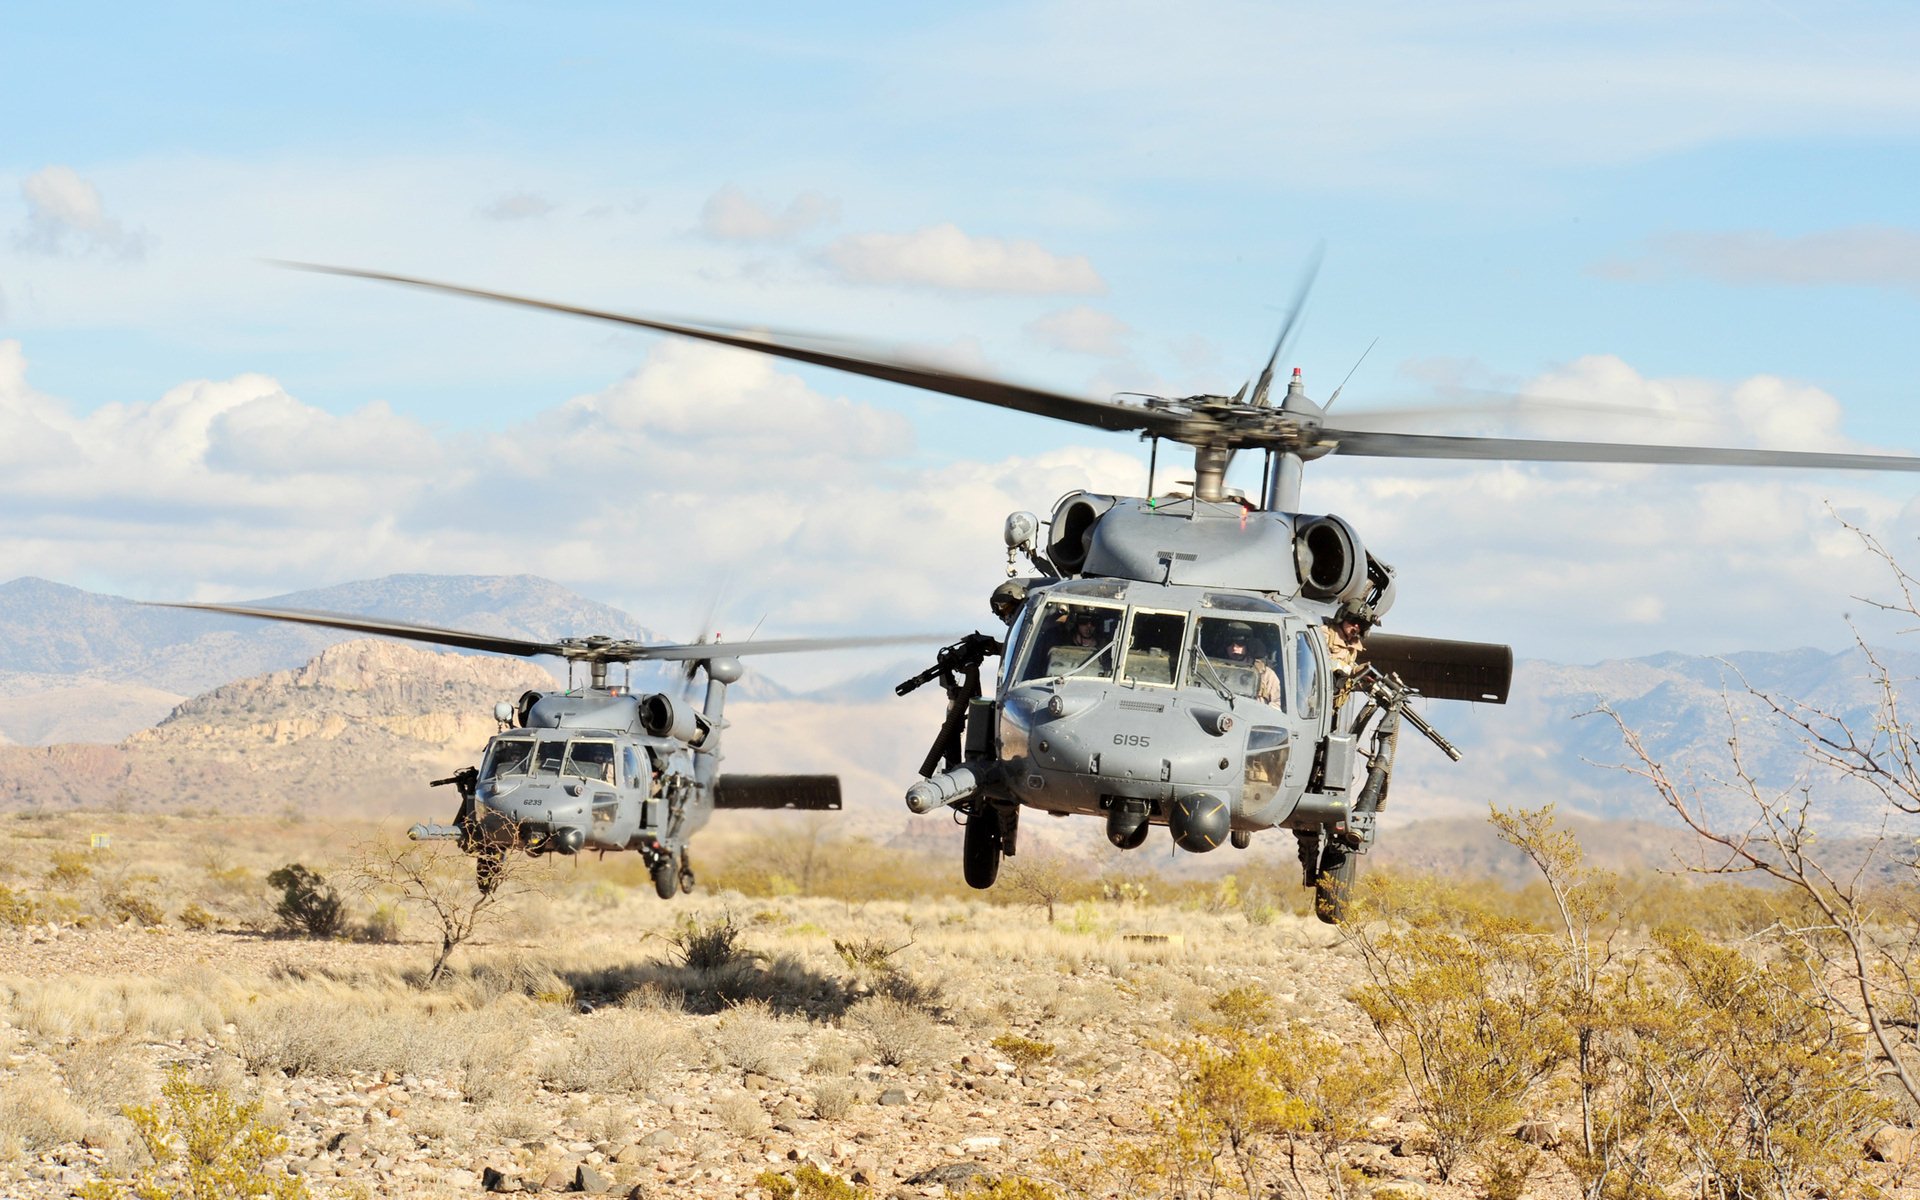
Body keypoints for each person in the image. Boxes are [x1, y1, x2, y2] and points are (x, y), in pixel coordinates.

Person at [1222, 622, 1281, 705]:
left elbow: (1278, 704)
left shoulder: (1266, 674)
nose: (1234, 648)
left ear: (1249, 644)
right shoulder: (1215, 669)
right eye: (1229, 643)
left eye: (1240, 643)